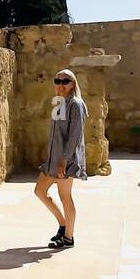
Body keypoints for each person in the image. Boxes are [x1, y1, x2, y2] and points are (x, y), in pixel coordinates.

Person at [34, 69, 87, 248]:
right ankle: (63, 225)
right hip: (53, 160)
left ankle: (68, 237)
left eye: (65, 81)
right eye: (57, 81)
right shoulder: (59, 103)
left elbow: (75, 136)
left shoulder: (76, 104)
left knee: (65, 196)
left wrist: (64, 159)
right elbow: (57, 134)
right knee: (39, 191)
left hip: (65, 161)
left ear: (72, 83)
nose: (61, 85)